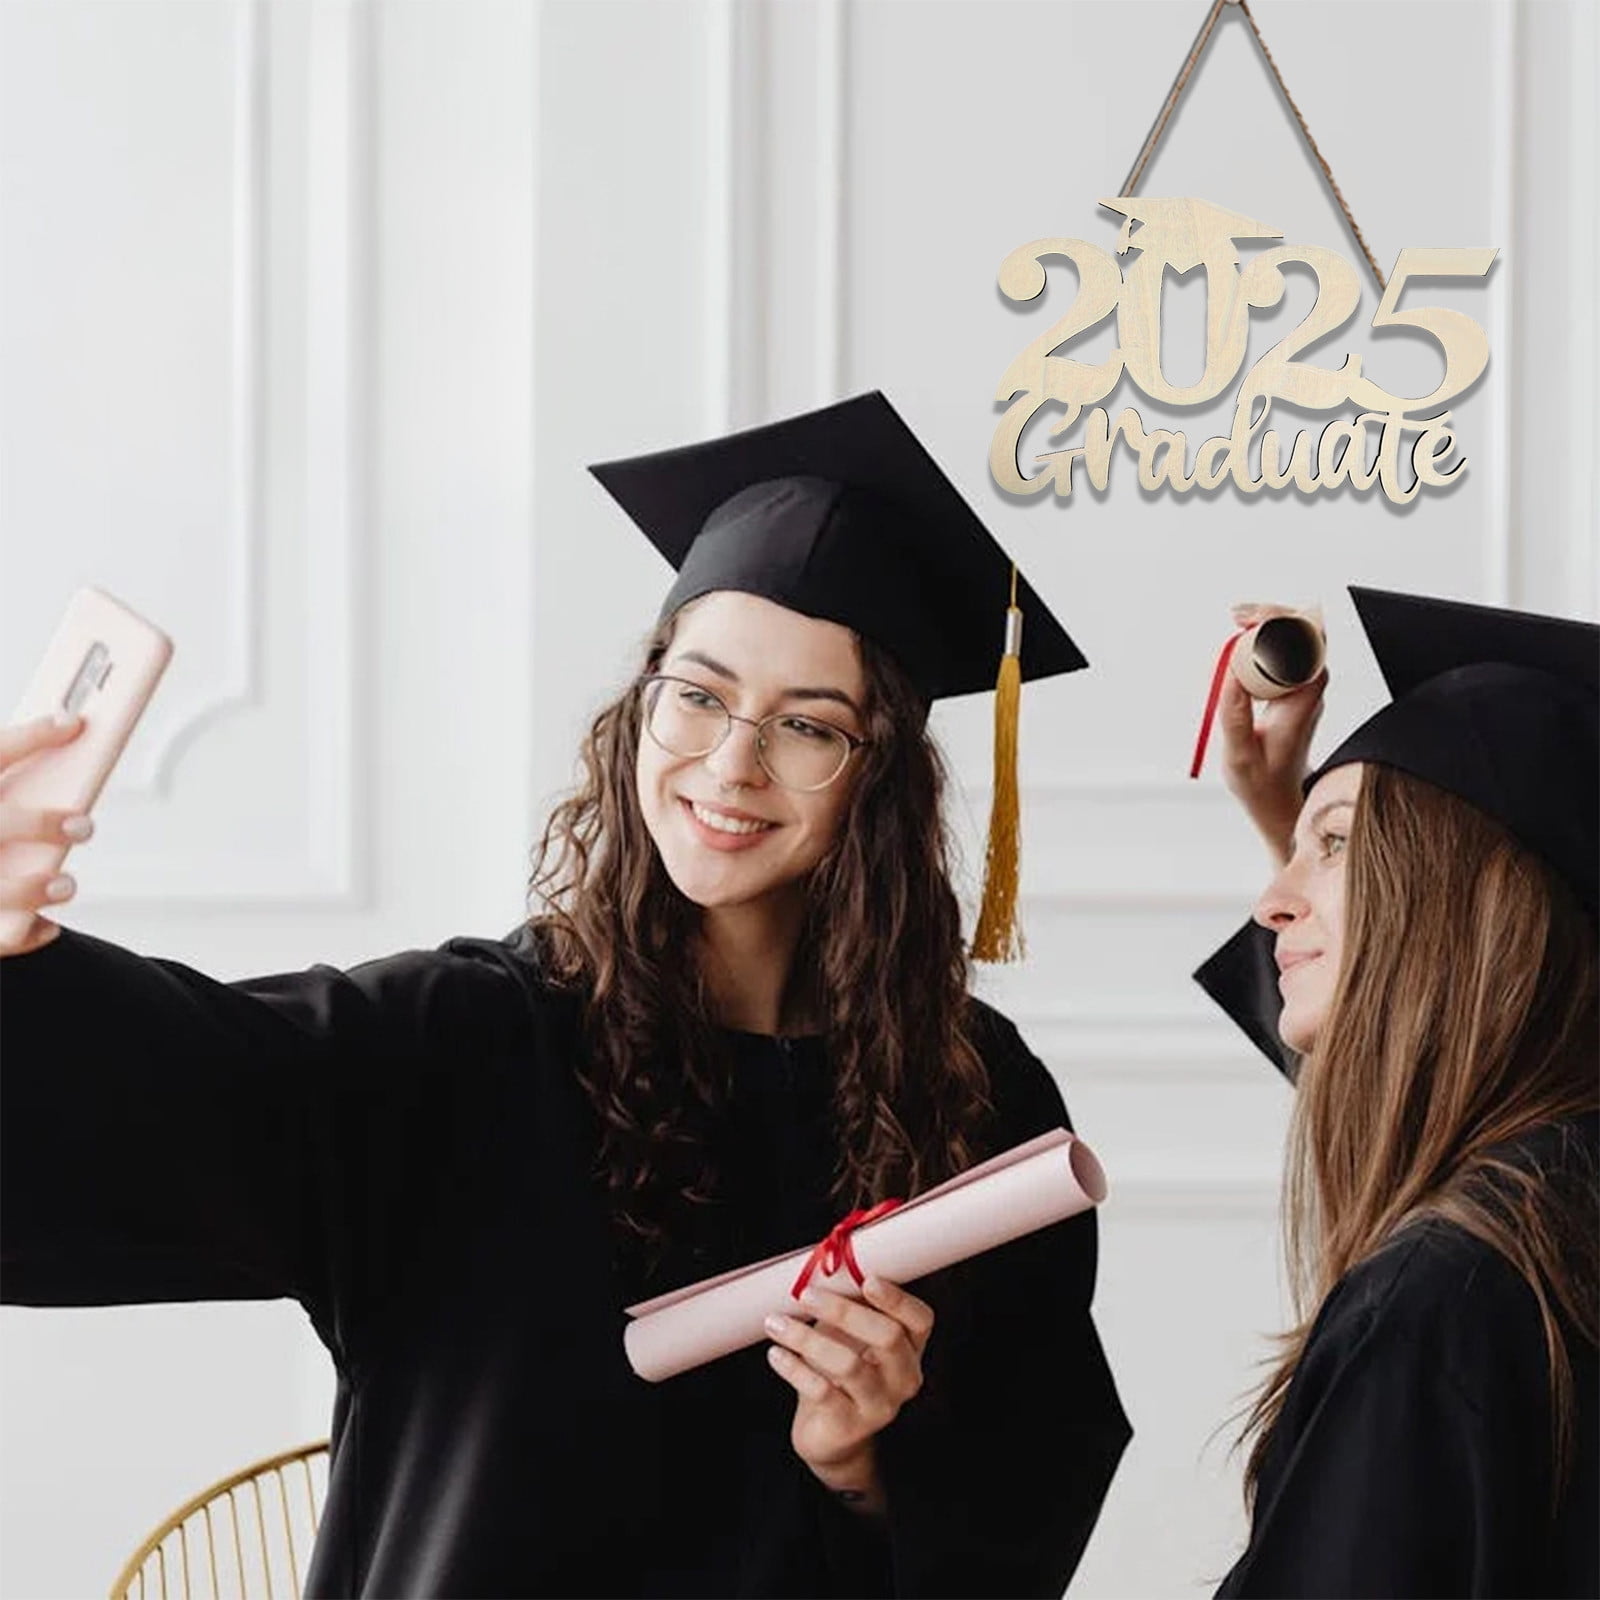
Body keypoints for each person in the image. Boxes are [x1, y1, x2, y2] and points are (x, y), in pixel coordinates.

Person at [0, 392, 1131, 1599]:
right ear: (639, 706)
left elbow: (1022, 1492)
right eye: (696, 694)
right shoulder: (461, 1046)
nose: (730, 762)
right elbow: (160, 1094)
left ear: (882, 775)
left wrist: (861, 1464)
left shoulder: (975, 1100)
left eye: (807, 724)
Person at [1197, 587, 1599, 1598]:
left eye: (1332, 845)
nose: (1268, 902)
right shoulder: (1558, 1217)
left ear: (1456, 897)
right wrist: (1290, 813)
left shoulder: (1442, 1298)